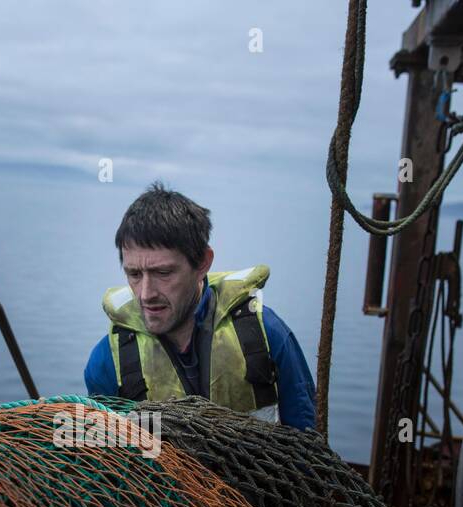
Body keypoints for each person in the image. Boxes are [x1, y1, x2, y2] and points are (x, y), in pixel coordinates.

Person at [84, 182, 317, 429]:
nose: (145, 294)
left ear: (203, 263)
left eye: (163, 272)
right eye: (134, 274)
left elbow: (307, 441)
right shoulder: (108, 360)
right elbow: (104, 456)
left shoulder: (265, 335)